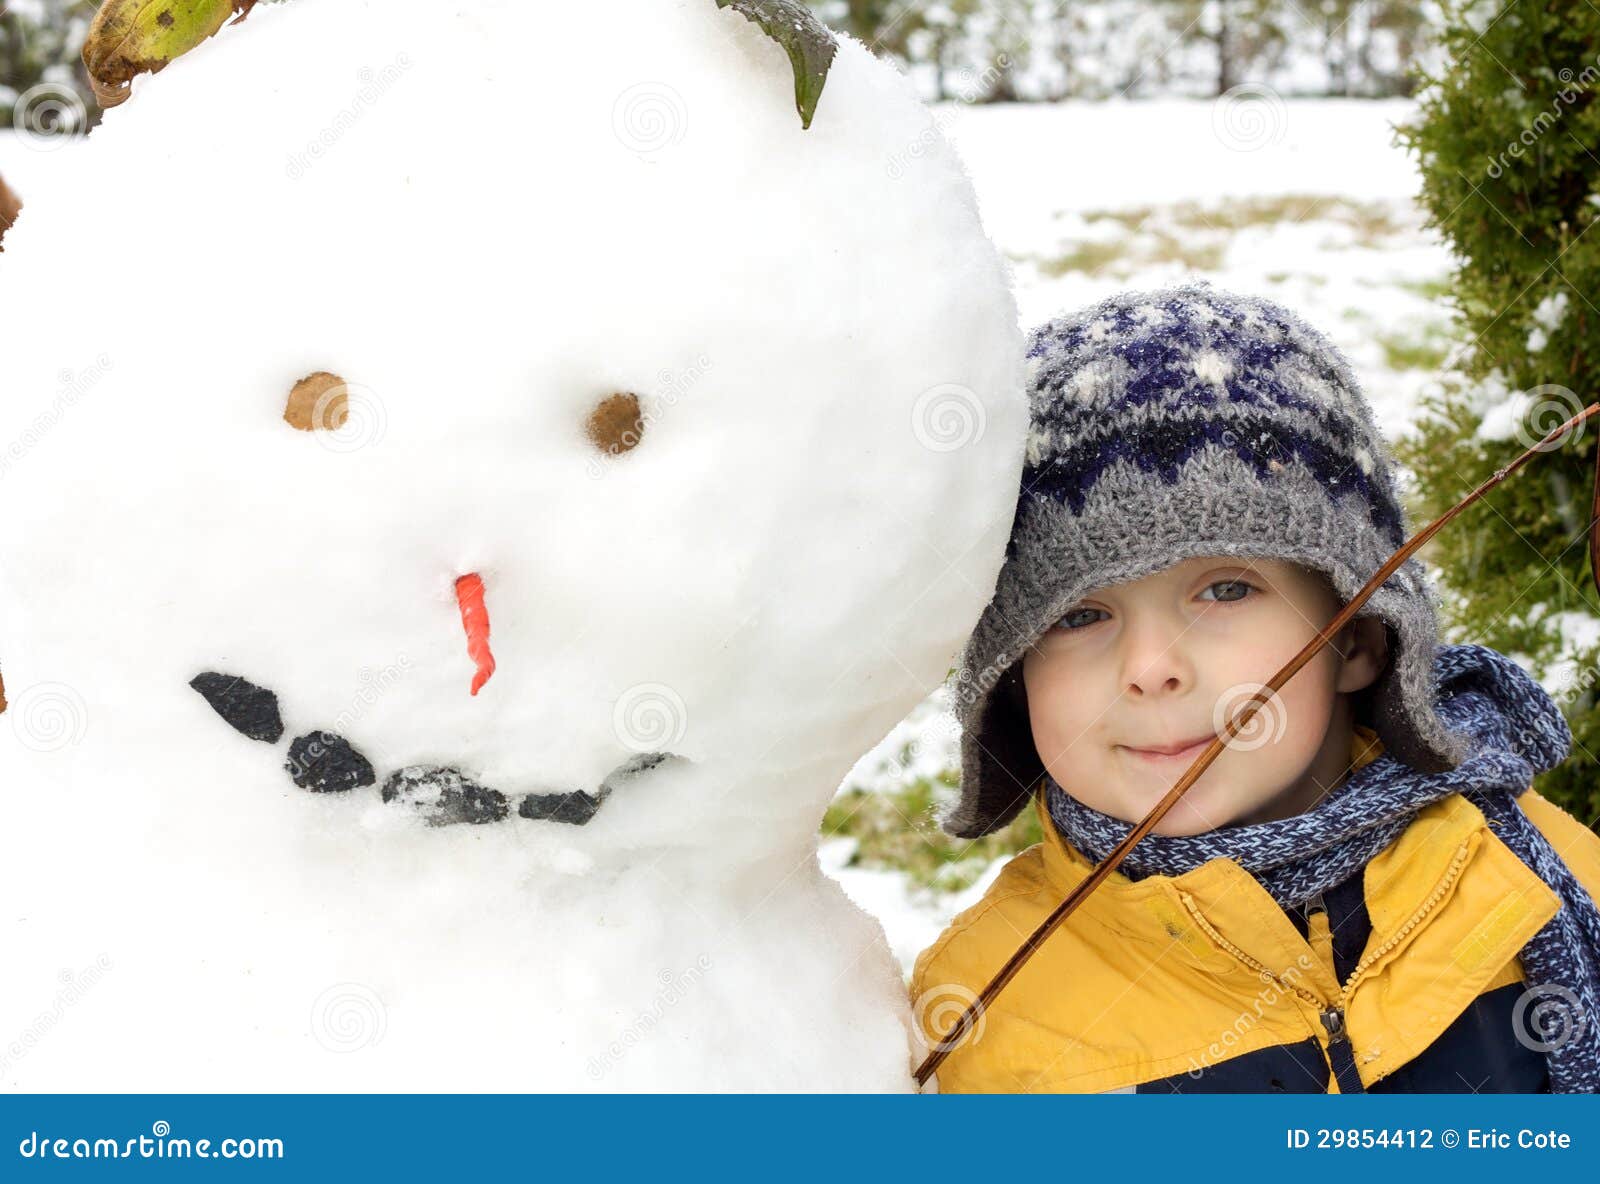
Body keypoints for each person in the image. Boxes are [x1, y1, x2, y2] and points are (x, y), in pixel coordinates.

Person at [911, 282, 1600, 1093]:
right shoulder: (986, 1019)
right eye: (1079, 614)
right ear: (1010, 677)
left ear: (1359, 635)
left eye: (1226, 590)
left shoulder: (1539, 881)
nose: (1149, 668)